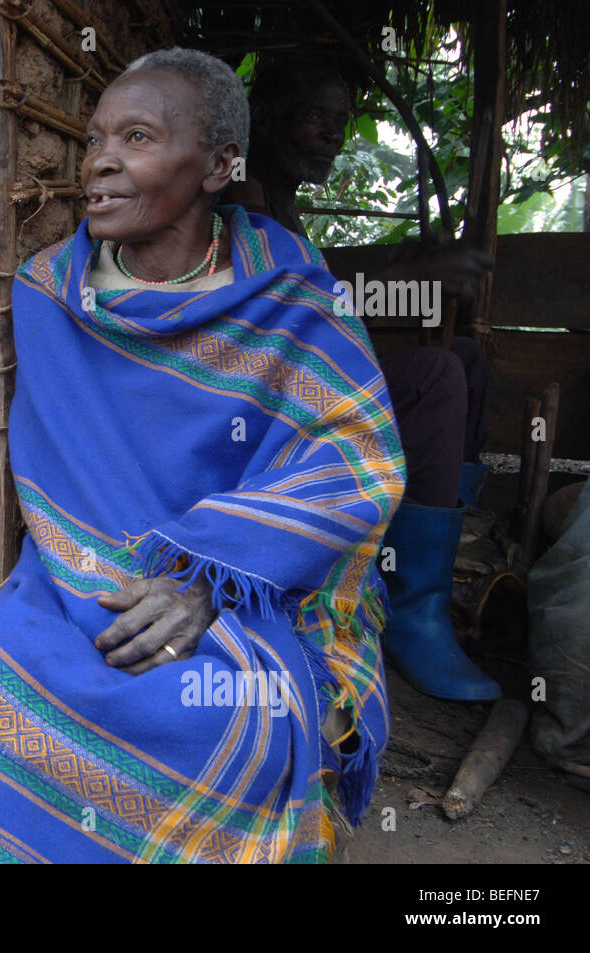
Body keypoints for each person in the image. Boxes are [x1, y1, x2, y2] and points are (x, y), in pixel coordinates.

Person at [0, 48, 406, 863]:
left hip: (253, 579)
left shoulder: (293, 298)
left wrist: (208, 578)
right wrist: (101, 575)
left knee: (227, 709)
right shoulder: (48, 293)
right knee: (11, 666)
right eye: (97, 138)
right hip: (77, 571)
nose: (99, 160)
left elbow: (353, 458)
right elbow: (68, 476)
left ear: (218, 166)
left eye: (135, 138)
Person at [226, 54, 499, 702]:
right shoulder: (240, 189)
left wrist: (402, 267)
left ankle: (425, 580)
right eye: (316, 116)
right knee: (435, 376)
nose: (333, 133)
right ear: (265, 116)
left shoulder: (280, 197)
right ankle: (411, 611)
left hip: (302, 377)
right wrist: (402, 283)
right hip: (262, 394)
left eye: (341, 120)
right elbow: (285, 302)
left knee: (466, 357)